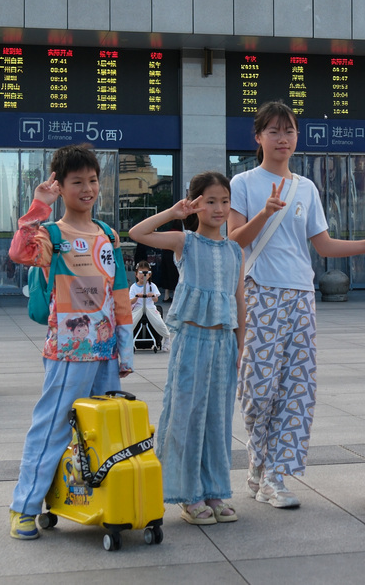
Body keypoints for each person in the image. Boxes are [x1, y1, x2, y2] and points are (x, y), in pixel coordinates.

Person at [229, 100, 365, 510]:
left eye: (290, 131)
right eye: (274, 131)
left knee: (296, 389)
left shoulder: (307, 188)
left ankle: (275, 478)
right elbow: (234, 241)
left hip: (301, 295)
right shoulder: (243, 183)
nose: (283, 139)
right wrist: (264, 213)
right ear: (259, 137)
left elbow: (323, 245)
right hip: (259, 292)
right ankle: (257, 461)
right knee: (258, 390)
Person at [5, 144, 133, 540]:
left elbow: (121, 291)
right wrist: (38, 206)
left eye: (93, 180)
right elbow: (19, 252)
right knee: (53, 427)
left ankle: (100, 504)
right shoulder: (52, 234)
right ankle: (24, 507)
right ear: (60, 186)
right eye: (77, 182)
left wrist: (125, 343)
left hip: (106, 350)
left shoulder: (108, 234)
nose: (88, 188)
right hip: (68, 351)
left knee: (106, 431)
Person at [130, 171, 245, 525]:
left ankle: (215, 491)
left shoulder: (234, 250)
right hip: (192, 341)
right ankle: (188, 494)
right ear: (195, 204)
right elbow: (137, 234)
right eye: (210, 201)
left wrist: (241, 347)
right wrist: (173, 213)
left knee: (218, 420)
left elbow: (240, 301)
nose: (219, 208)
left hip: (223, 343)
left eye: (224, 201)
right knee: (185, 417)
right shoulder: (186, 242)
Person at [129, 263, 170, 351]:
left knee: (159, 322)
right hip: (138, 308)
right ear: (136, 274)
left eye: (145, 273)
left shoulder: (152, 286)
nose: (142, 275)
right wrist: (136, 296)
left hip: (150, 307)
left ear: (149, 274)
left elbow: (155, 300)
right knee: (130, 323)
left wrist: (152, 296)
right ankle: (124, 342)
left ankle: (167, 338)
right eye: (140, 272)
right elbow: (130, 301)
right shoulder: (133, 287)